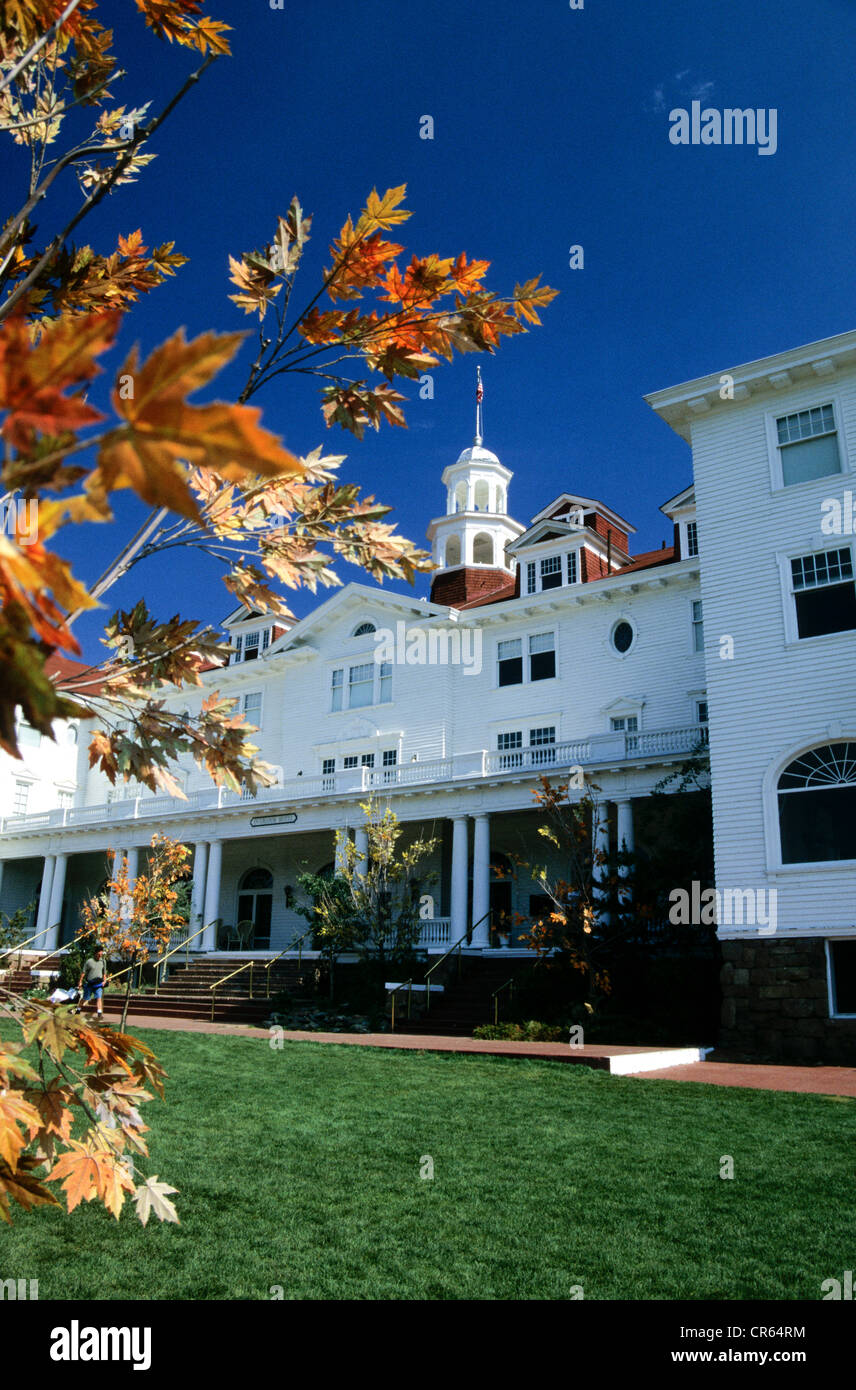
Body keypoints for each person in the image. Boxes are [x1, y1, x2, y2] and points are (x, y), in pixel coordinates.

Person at [76, 944, 107, 1018]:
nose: (100, 956)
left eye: (101, 954)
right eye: (99, 954)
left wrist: (104, 981)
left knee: (99, 997)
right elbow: (83, 973)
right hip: (90, 983)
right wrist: (80, 982)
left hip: (98, 983)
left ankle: (99, 1013)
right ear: (95, 953)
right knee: (85, 998)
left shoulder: (103, 962)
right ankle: (78, 1009)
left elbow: (104, 973)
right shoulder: (89, 962)